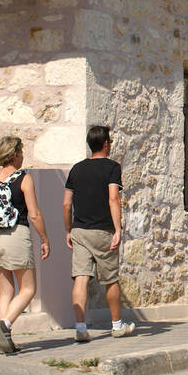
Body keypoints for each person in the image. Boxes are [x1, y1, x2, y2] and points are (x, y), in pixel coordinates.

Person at [0, 136, 50, 355]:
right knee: (28, 289)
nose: (23, 156)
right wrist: (45, 239)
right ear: (15, 154)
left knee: (5, 292)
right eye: (22, 151)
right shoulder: (24, 179)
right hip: (16, 235)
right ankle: (5, 324)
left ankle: (4, 343)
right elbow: (34, 214)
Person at [63, 125, 132, 340]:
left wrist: (68, 230)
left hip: (80, 231)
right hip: (103, 230)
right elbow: (114, 198)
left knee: (81, 278)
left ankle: (81, 328)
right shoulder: (112, 168)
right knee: (110, 279)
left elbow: (66, 203)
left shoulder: (76, 169)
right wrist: (118, 229)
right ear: (105, 144)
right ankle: (117, 325)